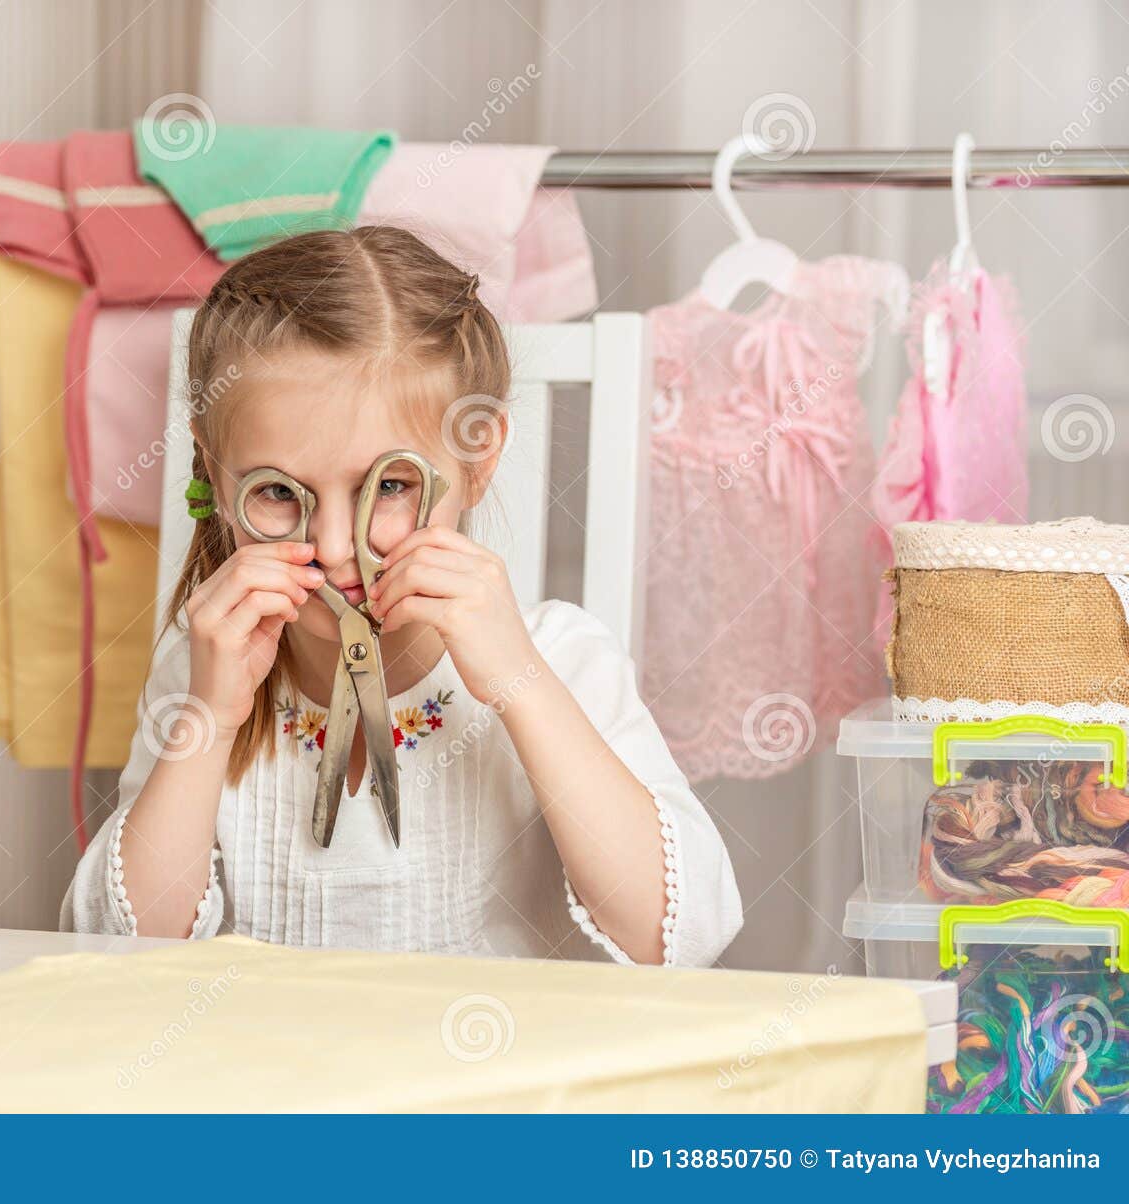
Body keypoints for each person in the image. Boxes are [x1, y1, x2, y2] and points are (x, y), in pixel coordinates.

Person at [62, 226, 741, 965]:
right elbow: (116, 954)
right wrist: (212, 718)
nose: (330, 545)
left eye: (387, 486)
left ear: (479, 461)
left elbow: (681, 939)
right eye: (280, 493)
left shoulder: (562, 657)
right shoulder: (203, 673)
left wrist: (520, 681)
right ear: (213, 474)